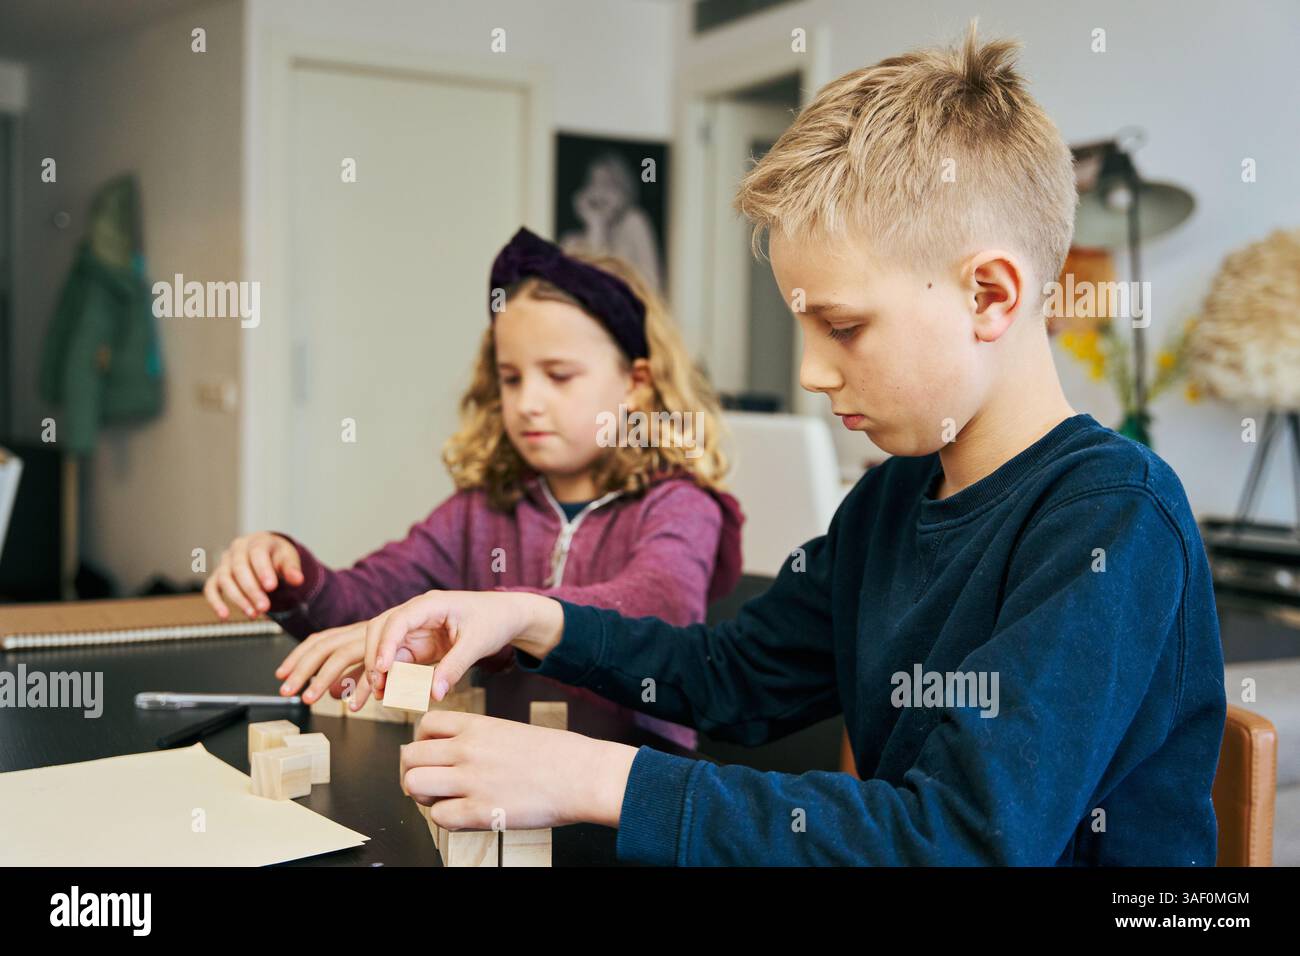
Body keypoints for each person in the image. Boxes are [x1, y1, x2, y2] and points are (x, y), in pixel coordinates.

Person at [364, 21, 1226, 865]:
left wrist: (604, 778)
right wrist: (529, 615)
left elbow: (962, 839)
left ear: (991, 296)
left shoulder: (1113, 520)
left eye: (843, 326)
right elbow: (733, 673)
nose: (811, 372)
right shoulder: (893, 498)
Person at [203, 227, 743, 750]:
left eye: (558, 376)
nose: (528, 401)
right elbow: (364, 609)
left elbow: (658, 609)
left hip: (634, 789)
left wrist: (507, 614)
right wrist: (287, 571)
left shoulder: (680, 503)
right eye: (511, 378)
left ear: (635, 383)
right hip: (505, 786)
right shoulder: (480, 510)